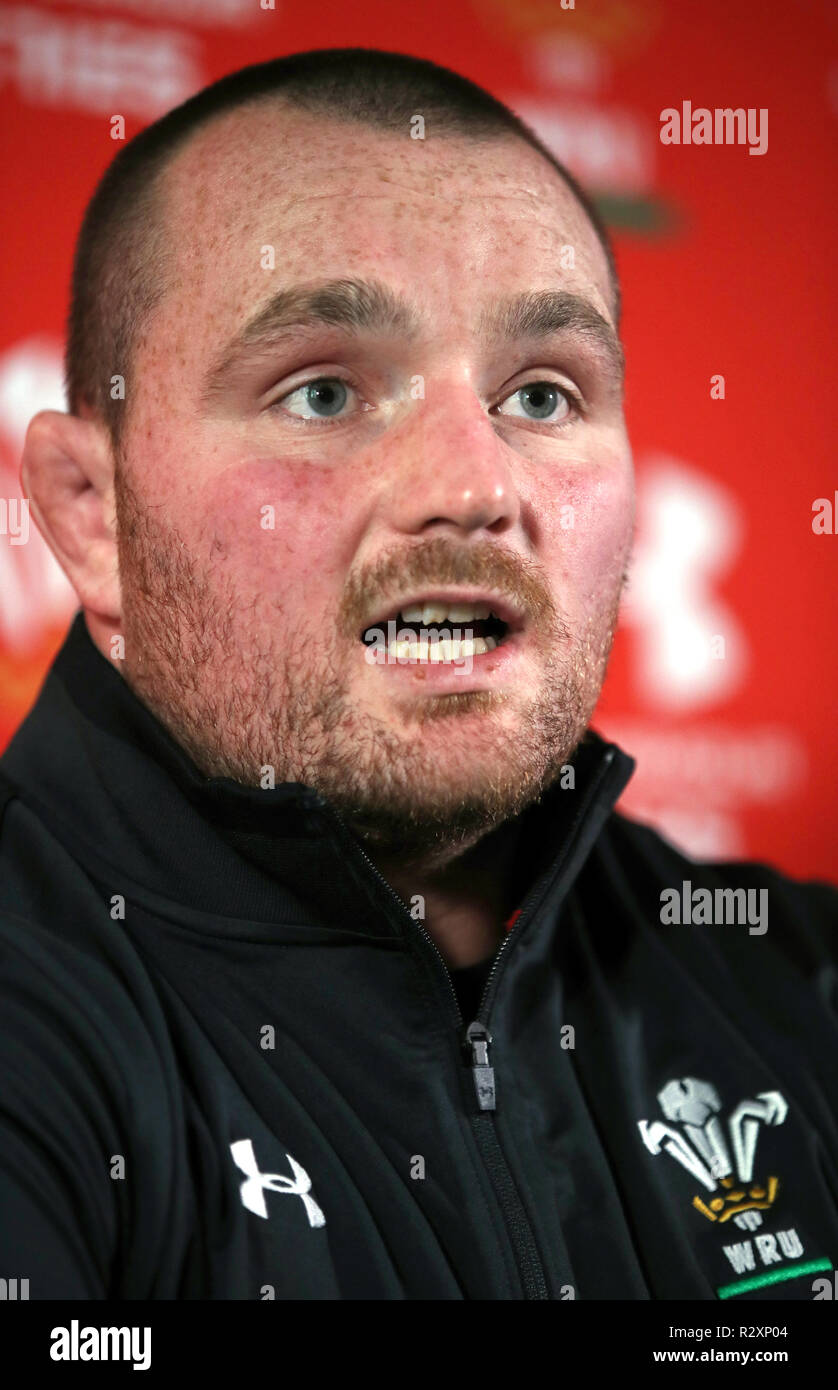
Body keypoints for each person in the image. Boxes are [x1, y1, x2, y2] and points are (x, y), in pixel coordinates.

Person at [1, 47, 835, 1302]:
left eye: (543, 395)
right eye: (325, 391)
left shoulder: (791, 975)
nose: (475, 486)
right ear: (91, 511)